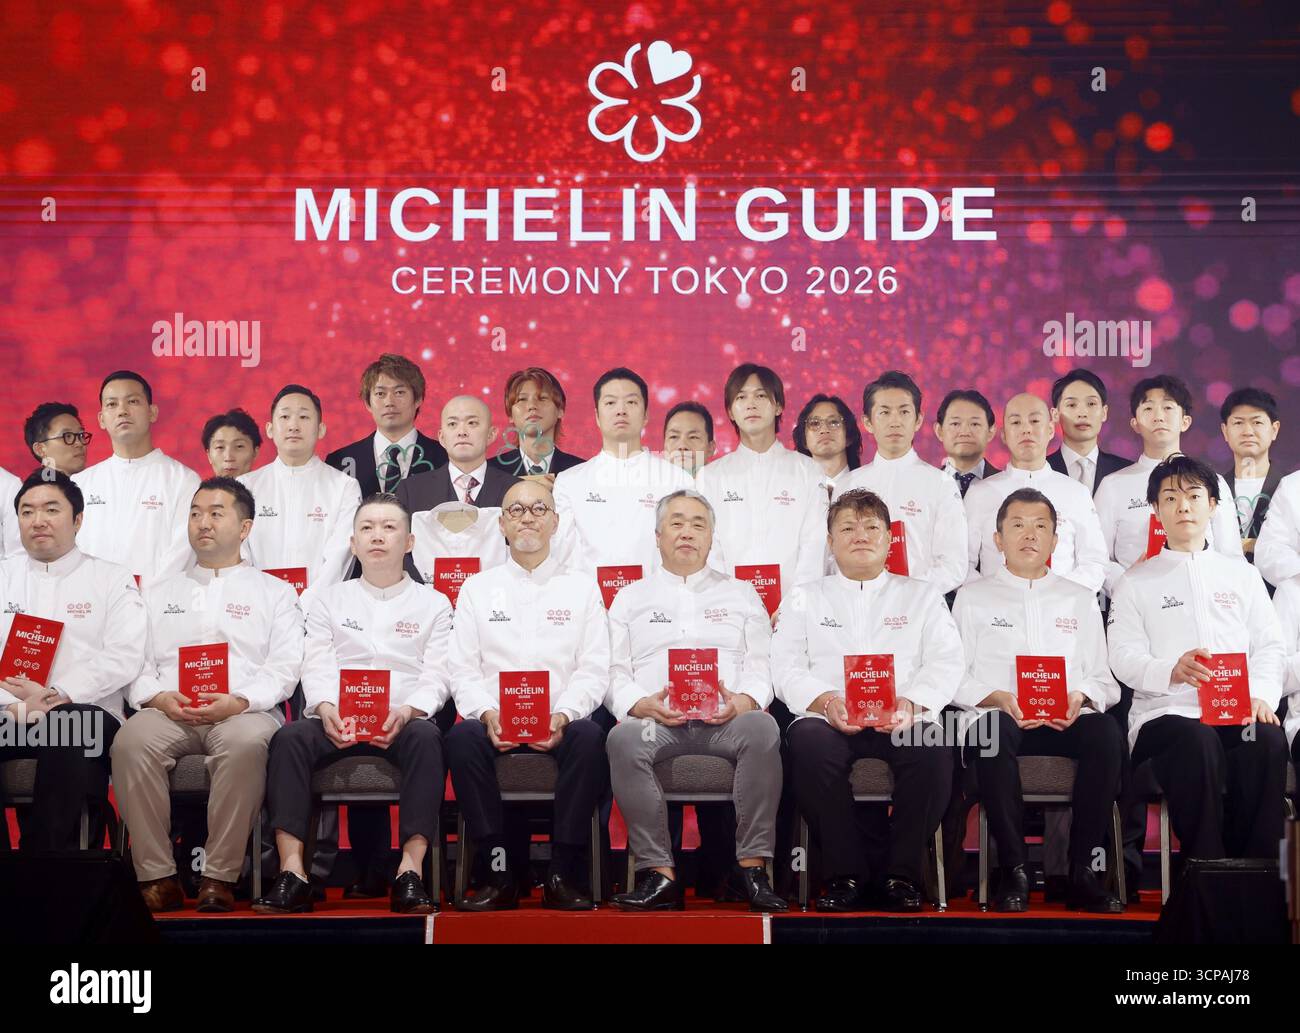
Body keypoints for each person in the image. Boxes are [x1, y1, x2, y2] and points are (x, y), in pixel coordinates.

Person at [111, 478, 303, 912]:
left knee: (245, 744)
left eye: (217, 513)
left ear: (245, 527)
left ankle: (219, 876)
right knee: (130, 742)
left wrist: (239, 700)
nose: (203, 523)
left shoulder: (275, 593)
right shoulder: (157, 593)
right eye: (196, 513)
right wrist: (158, 697)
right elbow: (136, 664)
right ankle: (157, 876)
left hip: (242, 711)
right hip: (170, 710)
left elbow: (285, 667)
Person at [254, 494, 452, 915]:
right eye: (367, 528)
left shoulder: (434, 603)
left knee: (428, 738)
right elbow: (318, 661)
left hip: (401, 720)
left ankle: (410, 871)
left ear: (410, 542)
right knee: (288, 738)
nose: (377, 536)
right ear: (353, 542)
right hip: (336, 718)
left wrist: (409, 710)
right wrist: (325, 707)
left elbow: (437, 674)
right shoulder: (327, 600)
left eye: (388, 527)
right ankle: (293, 871)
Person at [773, 488, 963, 912]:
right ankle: (845, 876)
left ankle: (902, 876)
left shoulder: (922, 595)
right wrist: (824, 700)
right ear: (829, 540)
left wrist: (914, 703)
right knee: (806, 743)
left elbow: (947, 661)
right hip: (828, 719)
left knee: (933, 746)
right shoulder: (805, 596)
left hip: (902, 718)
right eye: (847, 527)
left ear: (891, 538)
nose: (860, 535)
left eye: (871, 527)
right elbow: (784, 666)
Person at [606, 489, 785, 912]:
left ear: (711, 537)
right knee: (623, 739)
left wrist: (744, 700)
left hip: (728, 722)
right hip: (657, 723)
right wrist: (638, 703)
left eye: (698, 524)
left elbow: (764, 664)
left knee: (763, 727)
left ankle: (752, 869)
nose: (687, 533)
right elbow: (613, 670)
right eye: (677, 523)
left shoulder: (742, 594)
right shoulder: (630, 598)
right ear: (657, 535)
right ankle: (659, 875)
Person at [1108, 455, 1288, 861]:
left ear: (1212, 505)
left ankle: (1254, 870)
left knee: (1266, 740)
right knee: (1197, 739)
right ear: (1155, 510)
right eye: (1170, 498)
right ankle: (1205, 865)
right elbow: (1121, 655)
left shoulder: (1241, 575)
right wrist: (1169, 671)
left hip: (1234, 712)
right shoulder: (1135, 581)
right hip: (1166, 717)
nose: (1183, 506)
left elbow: (1269, 646)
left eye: (1194, 496)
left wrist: (1260, 695)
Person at [952, 488, 1124, 913]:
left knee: (1105, 732)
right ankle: (1014, 870)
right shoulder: (973, 598)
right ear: (997, 539)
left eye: (1040, 527)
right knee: (992, 731)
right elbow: (952, 677)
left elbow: (1106, 681)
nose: (1029, 535)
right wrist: (993, 697)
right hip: (1001, 719)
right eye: (1017, 525)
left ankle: (1082, 870)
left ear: (1054, 540)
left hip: (1064, 721)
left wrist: (1081, 696)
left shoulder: (1078, 598)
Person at [446, 480, 610, 911]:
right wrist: (486, 714)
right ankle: (498, 873)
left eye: (539, 508)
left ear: (555, 521)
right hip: (495, 722)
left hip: (561, 721)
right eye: (516, 510)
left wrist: (563, 715)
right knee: (460, 740)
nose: (528, 517)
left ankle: (561, 872)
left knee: (591, 737)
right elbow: (462, 669)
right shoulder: (477, 590)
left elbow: (594, 668)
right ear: (501, 523)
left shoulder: (582, 589)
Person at [0, 470, 145, 850]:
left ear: (78, 519)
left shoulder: (110, 578)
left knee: (68, 724)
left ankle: (47, 865)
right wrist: (15, 706)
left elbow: (124, 655)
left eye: (51, 509)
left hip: (89, 713)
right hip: (12, 717)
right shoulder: (4, 576)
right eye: (27, 511)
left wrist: (55, 694)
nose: (38, 520)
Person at [696, 363, 827, 616]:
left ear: (778, 406)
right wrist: (728, 603)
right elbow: (710, 548)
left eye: (761, 395)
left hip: (795, 612)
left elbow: (815, 544)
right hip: (730, 613)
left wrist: (794, 605)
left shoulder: (808, 471)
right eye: (741, 397)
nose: (751, 404)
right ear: (730, 412)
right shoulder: (711, 477)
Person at [1094, 375, 1243, 598]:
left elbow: (1231, 555)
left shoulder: (1213, 481)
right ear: (1134, 423)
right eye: (1148, 408)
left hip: (1202, 596)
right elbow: (1098, 557)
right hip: (1136, 602)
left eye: (1168, 407)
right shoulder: (1113, 485)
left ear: (1185, 421)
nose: (1158, 416)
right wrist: (1129, 586)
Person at [553, 367, 696, 578]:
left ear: (646, 414)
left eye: (631, 402)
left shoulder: (677, 480)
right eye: (610, 403)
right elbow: (562, 555)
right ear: (597, 416)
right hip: (592, 605)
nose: (621, 410)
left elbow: (689, 549)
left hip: (658, 603)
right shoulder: (569, 482)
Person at [835, 372, 967, 595]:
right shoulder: (848, 484)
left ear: (918, 420)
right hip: (859, 602)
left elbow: (954, 565)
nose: (895, 421)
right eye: (884, 412)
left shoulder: (940, 483)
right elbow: (834, 555)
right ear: (868, 422)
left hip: (920, 607)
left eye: (904, 412)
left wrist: (906, 593)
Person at [963, 393, 1107, 593]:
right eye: (1016, 422)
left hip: (1060, 611)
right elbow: (961, 564)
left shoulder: (1076, 493)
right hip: (997, 614)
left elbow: (1095, 562)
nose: (1026, 429)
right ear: (1004, 435)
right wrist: (991, 596)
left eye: (1034, 421)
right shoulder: (980, 493)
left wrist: (1059, 595)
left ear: (1050, 430)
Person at [72, 371, 201, 584]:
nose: (122, 411)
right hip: (90, 606)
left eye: (132, 401)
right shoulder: (81, 484)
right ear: (101, 419)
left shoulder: (183, 480)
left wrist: (139, 598)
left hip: (157, 608)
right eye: (112, 404)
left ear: (152, 412)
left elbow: (183, 552)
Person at [239, 384, 362, 593]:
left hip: (320, 614)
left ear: (321, 429)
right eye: (285, 417)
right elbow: (239, 555)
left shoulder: (344, 487)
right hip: (260, 610)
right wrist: (265, 604)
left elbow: (338, 558)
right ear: (270, 429)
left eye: (304, 417)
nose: (294, 426)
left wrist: (308, 607)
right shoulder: (245, 486)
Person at [324, 353, 447, 497]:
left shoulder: (445, 457)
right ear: (367, 403)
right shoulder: (340, 461)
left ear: (418, 399)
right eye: (380, 394)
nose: (389, 402)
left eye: (399, 392)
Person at [396, 395, 519, 512]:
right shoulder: (412, 491)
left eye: (472, 423)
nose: (461, 432)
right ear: (442, 437)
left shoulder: (516, 489)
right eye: (452, 424)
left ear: (491, 434)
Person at [1219, 387, 1282, 563]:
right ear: (1225, 431)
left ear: (1274, 429)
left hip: (1279, 588)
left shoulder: (1291, 488)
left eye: (1257, 422)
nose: (1248, 431)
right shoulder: (1212, 488)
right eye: (1238, 423)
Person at [491, 367, 584, 484]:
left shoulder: (581, 471)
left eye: (542, 398)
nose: (532, 406)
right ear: (510, 414)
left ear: (560, 410)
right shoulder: (490, 472)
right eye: (522, 399)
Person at [1046, 369, 1128, 495]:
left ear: (1104, 412)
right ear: (1055, 414)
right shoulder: (1040, 471)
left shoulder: (1126, 471)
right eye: (1072, 405)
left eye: (1091, 403)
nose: (1083, 413)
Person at [934, 389, 1000, 498]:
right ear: (939, 431)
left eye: (974, 424)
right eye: (955, 424)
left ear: (990, 432)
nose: (964, 432)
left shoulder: (1008, 486)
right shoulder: (926, 485)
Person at [793, 394, 861, 499]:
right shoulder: (792, 490)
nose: (824, 430)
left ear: (849, 436)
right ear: (804, 441)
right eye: (815, 423)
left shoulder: (867, 485)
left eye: (834, 422)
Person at [24, 401, 91, 475]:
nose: (79, 443)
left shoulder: (99, 482)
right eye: (68, 436)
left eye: (81, 435)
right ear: (40, 449)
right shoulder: (36, 486)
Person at [662, 401, 717, 478]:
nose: (682, 446)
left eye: (693, 437)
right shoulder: (651, 486)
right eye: (674, 436)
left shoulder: (725, 487)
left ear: (711, 448)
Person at [202, 409, 262, 479]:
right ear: (209, 455)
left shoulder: (271, 488)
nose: (228, 457)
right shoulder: (195, 488)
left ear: (255, 452)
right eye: (220, 447)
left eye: (239, 446)